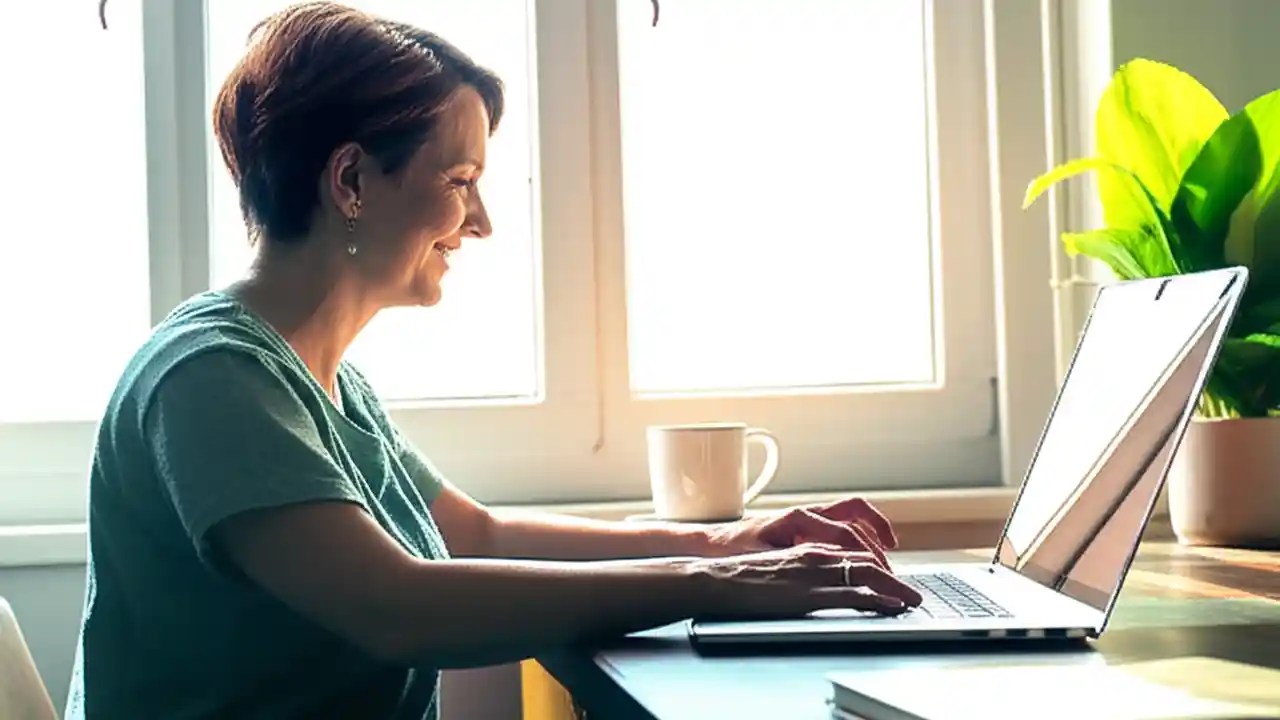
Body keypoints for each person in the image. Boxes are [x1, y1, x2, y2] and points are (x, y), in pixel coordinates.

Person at [66, 3, 922, 718]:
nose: (480, 224)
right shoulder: (212, 378)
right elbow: (396, 608)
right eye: (461, 179)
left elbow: (470, 532)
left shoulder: (319, 379)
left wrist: (726, 538)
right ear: (352, 182)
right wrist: (720, 582)